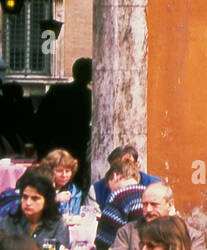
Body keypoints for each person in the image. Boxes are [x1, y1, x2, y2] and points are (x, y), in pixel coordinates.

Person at [108, 182, 207, 250]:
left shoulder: (192, 235)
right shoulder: (127, 232)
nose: (148, 209)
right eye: (145, 204)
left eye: (154, 204)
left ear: (170, 205)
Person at [34, 57, 91, 189]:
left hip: (61, 142)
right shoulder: (87, 95)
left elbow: (40, 115)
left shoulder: (58, 90)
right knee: (69, 178)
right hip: (69, 143)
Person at [1, 170, 70, 249]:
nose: (28, 203)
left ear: (47, 201)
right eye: (25, 197)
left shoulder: (58, 224)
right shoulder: (8, 222)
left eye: (35, 198)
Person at [87, 145, 161, 213]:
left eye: (128, 163)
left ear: (137, 164)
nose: (123, 169)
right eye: (117, 166)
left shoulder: (156, 186)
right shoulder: (96, 191)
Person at [93, 161, 145, 250]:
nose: (111, 190)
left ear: (115, 176)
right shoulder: (148, 192)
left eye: (109, 186)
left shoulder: (118, 197)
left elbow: (105, 237)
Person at [40, 149, 83, 216]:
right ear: (49, 171)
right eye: (59, 171)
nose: (64, 175)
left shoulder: (75, 192)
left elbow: (74, 216)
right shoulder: (39, 187)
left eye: (67, 171)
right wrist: (54, 199)